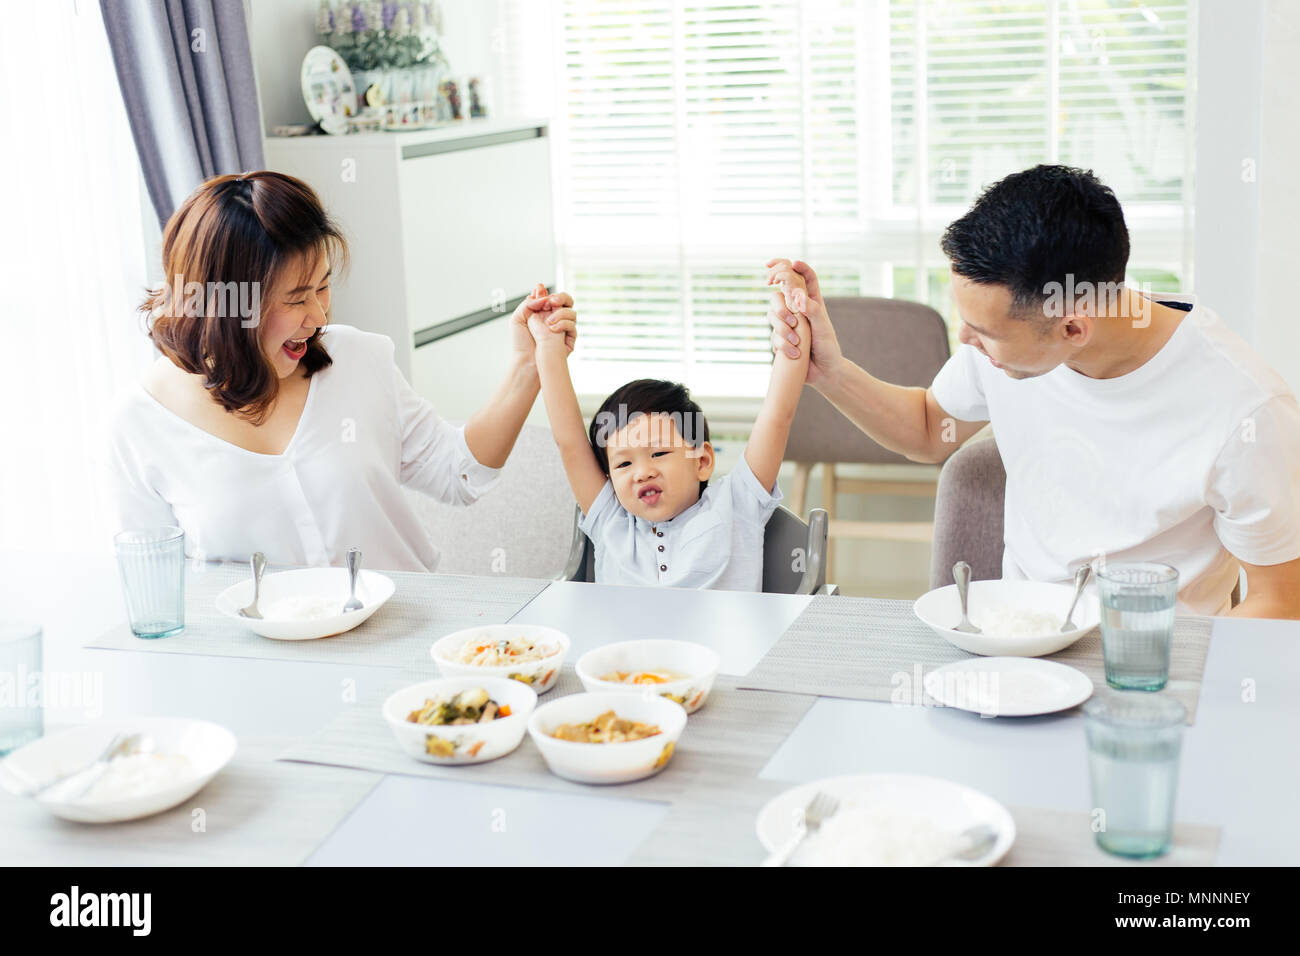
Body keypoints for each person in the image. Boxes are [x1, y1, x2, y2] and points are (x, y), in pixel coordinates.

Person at [768, 165, 1300, 618]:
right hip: (1013, 639)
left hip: (1144, 668)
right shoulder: (1005, 348)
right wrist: (830, 371)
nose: (965, 340)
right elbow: (931, 429)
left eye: (985, 332)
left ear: (1072, 328)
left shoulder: (1247, 410)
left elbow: (1278, 604)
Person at [108, 171, 576, 571]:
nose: (318, 316)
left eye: (323, 287)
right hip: (260, 669)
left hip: (404, 638)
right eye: (295, 299)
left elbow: (459, 474)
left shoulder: (357, 360)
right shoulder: (141, 423)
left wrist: (527, 364)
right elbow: (157, 589)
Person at [527, 263, 812, 590]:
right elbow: (570, 443)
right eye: (623, 463)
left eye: (659, 452)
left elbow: (778, 415)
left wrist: (794, 313)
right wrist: (549, 348)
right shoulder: (611, 521)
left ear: (702, 461)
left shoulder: (737, 505)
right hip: (624, 644)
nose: (642, 472)